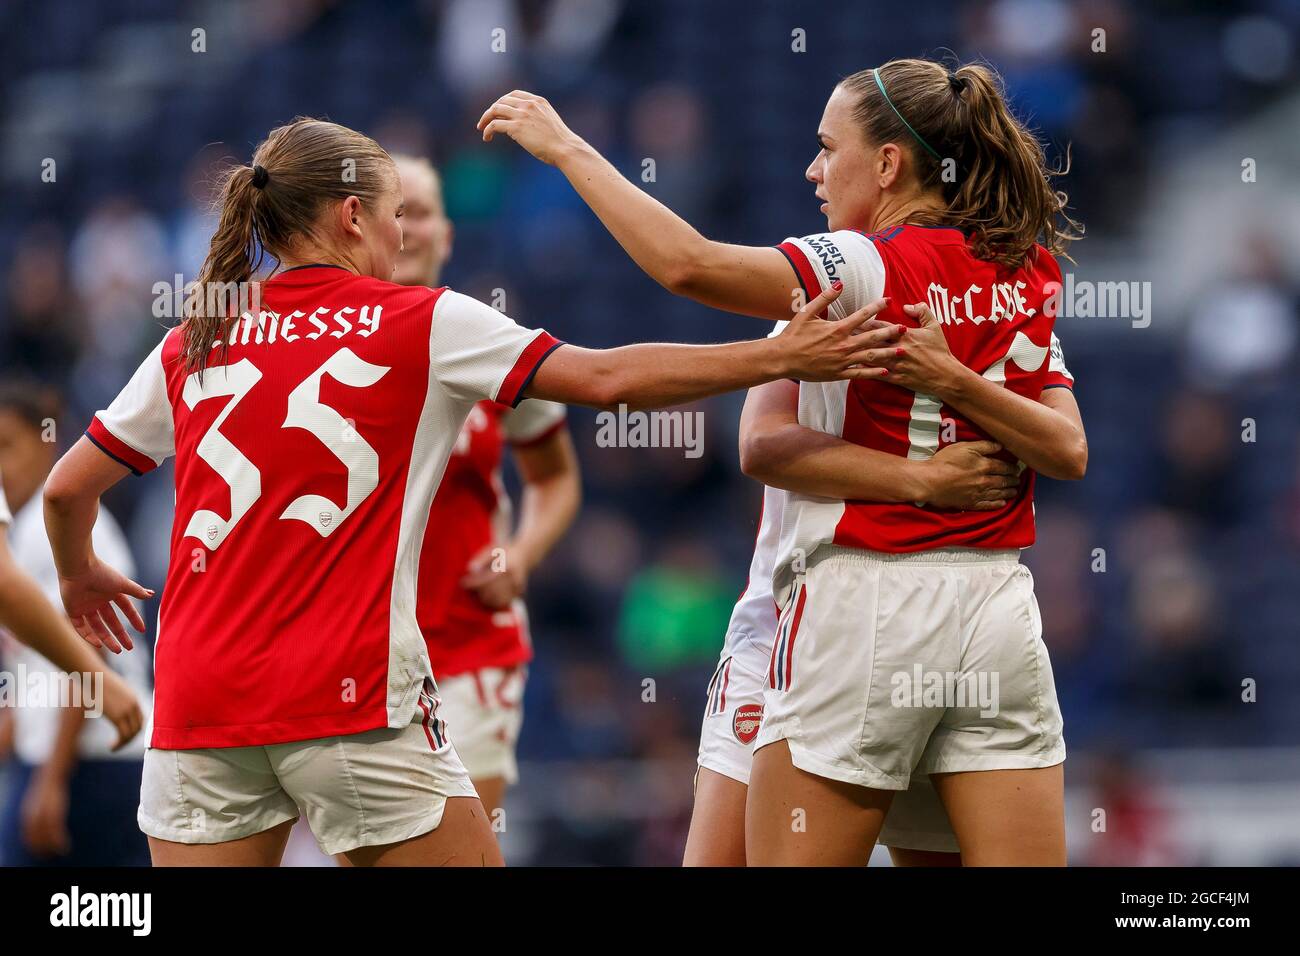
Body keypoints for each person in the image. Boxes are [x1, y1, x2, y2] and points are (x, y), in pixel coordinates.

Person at [41, 117, 899, 867]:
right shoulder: (420, 320)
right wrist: (777, 356)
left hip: (198, 701)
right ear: (351, 217)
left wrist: (78, 573)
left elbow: (67, 489)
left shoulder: (201, 333)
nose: (399, 239)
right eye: (392, 219)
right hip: (350, 701)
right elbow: (604, 380)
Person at [479, 56, 1086, 865]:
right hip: (998, 607)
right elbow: (1070, 449)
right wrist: (952, 407)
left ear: (889, 163)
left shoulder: (852, 270)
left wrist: (567, 149)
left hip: (860, 599)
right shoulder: (1025, 269)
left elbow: (687, 265)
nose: (813, 168)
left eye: (827, 148)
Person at [398, 154, 581, 822]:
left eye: (418, 212)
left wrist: (519, 554)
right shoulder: (328, 354)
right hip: (354, 647)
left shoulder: (485, 344)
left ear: (447, 235)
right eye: (390, 214)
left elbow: (554, 477)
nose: (405, 230)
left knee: (459, 843)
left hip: (468, 643)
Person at [0, 383, 152, 865]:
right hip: (64, 758)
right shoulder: (24, 528)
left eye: (7, 446)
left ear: (47, 444)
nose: (1, 465)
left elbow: (95, 642)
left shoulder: (66, 525)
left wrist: (50, 780)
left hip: (93, 761)